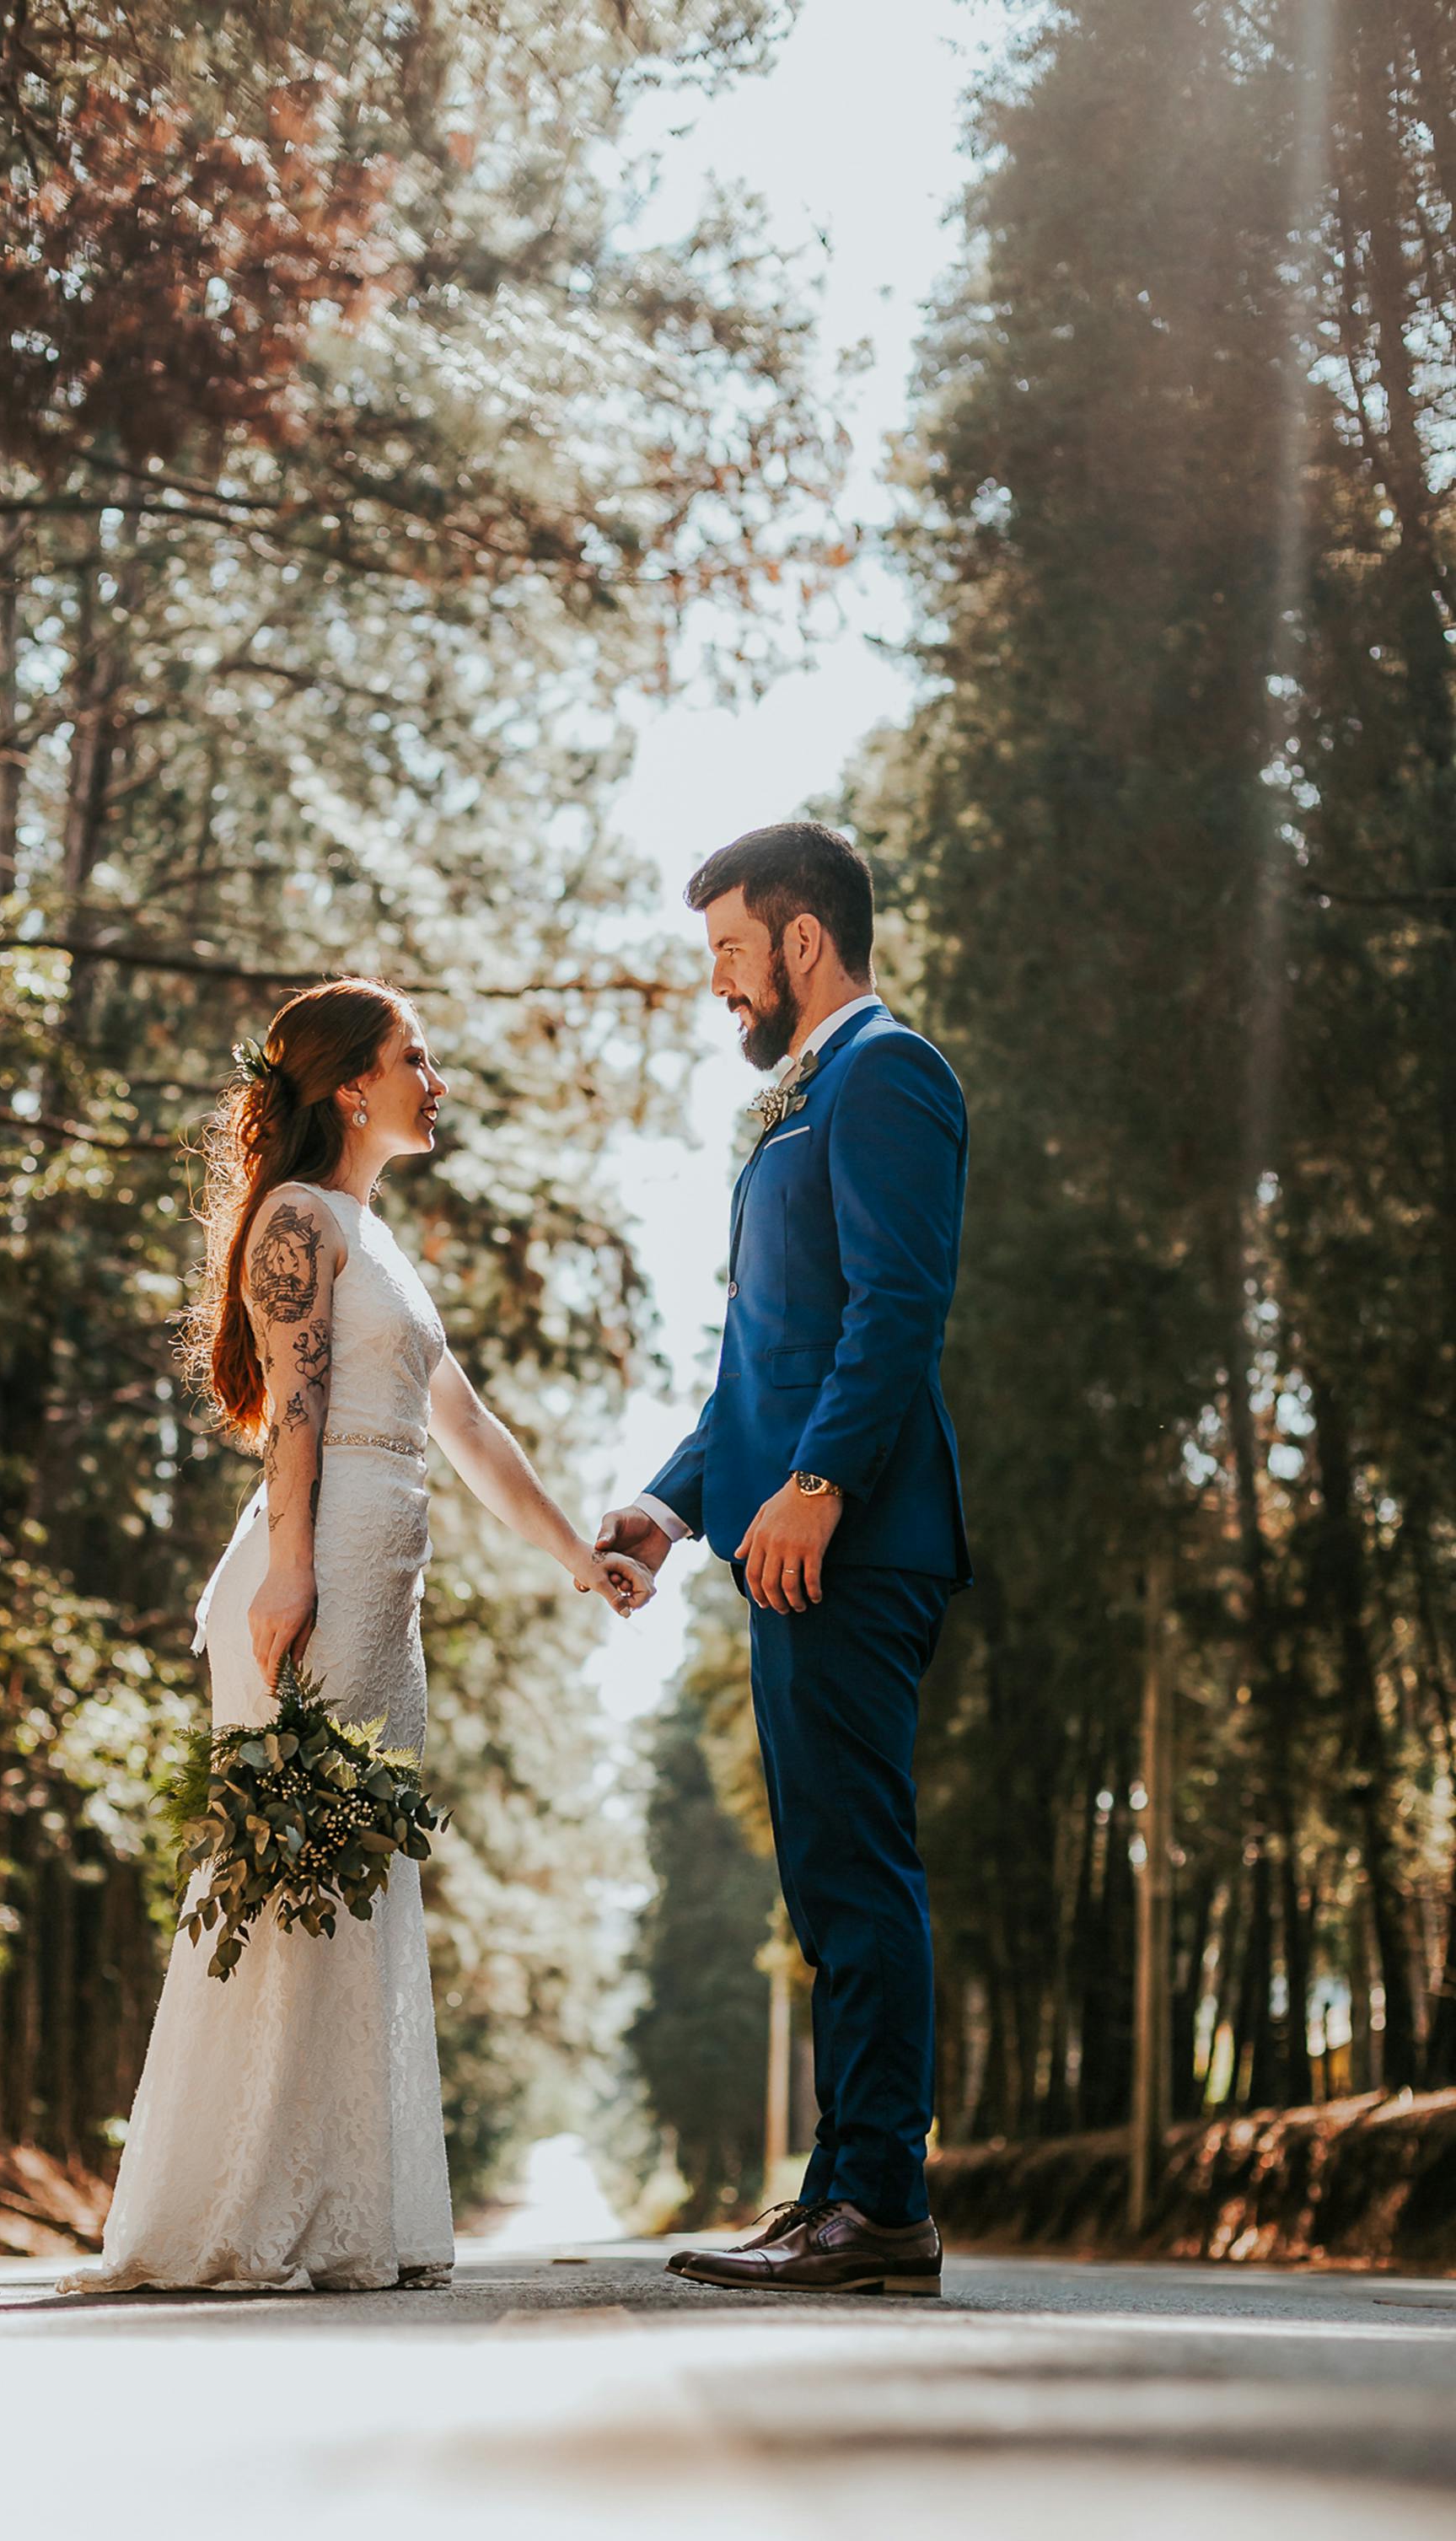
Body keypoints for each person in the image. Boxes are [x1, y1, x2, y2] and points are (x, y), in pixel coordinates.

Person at [62, 977, 653, 2295]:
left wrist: (580, 1557)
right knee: (289, 1877)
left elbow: (472, 1431)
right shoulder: (298, 1220)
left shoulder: (378, 1240)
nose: (434, 1083)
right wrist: (287, 1574)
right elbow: (294, 1412)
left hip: (378, 1585)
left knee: (352, 1872)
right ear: (350, 1087)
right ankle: (239, 2209)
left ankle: (340, 2212)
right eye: (414, 1060)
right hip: (313, 1572)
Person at [598, 822, 971, 2297]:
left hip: (855, 1540)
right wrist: (672, 1504)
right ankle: (840, 2189)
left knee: (858, 1867)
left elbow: (898, 1308)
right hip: (784, 1548)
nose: (719, 984)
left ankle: (881, 2203)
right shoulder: (806, 1099)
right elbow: (767, 1357)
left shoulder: (889, 1074)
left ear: (803, 939)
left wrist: (818, 1482)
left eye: (730, 952)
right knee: (824, 1880)